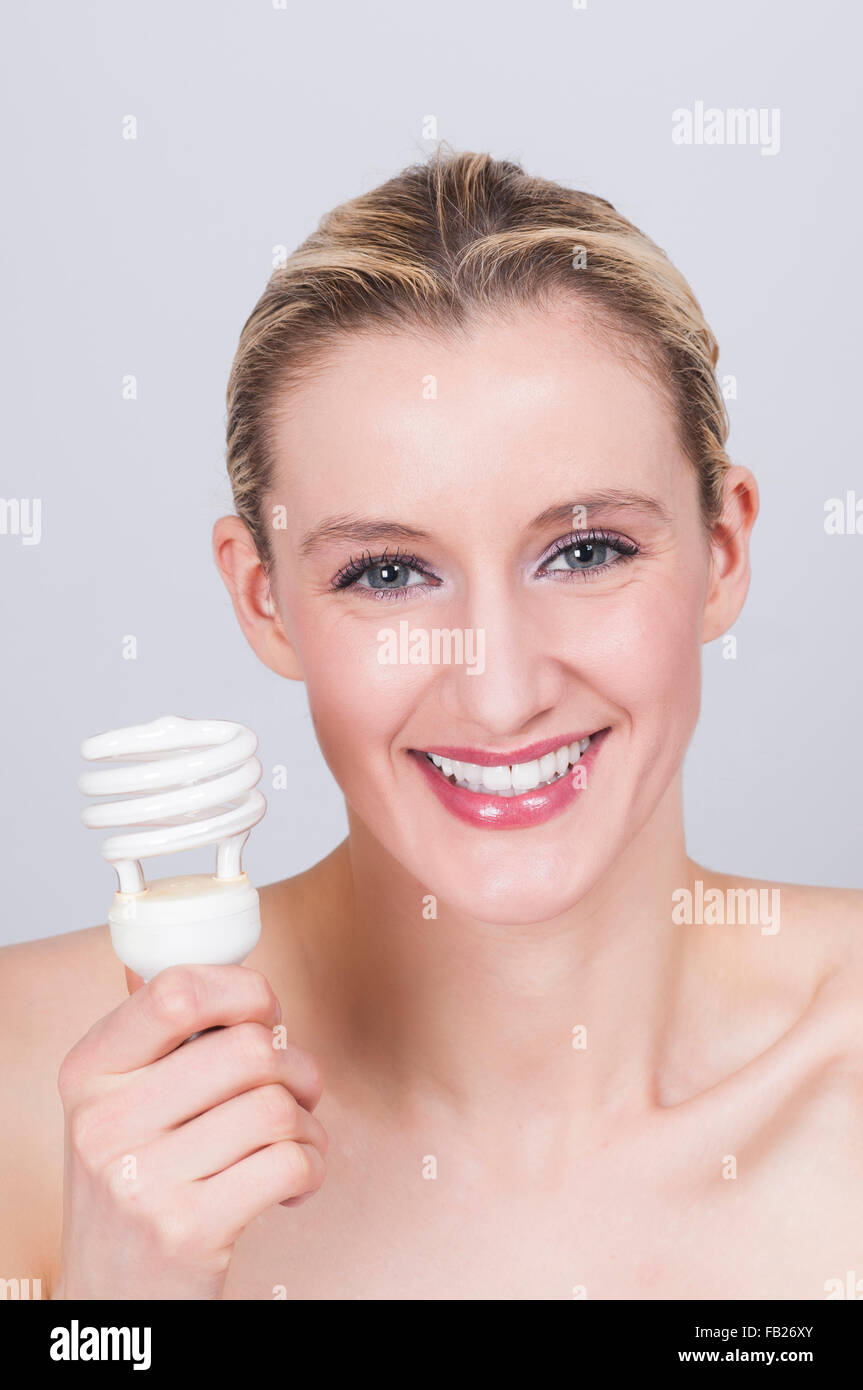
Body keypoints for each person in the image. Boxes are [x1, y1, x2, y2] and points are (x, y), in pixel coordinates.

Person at [2, 150, 861, 1301]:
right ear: (264, 598)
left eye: (586, 550)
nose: (498, 691)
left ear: (722, 553)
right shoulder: (28, 1093)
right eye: (387, 573)